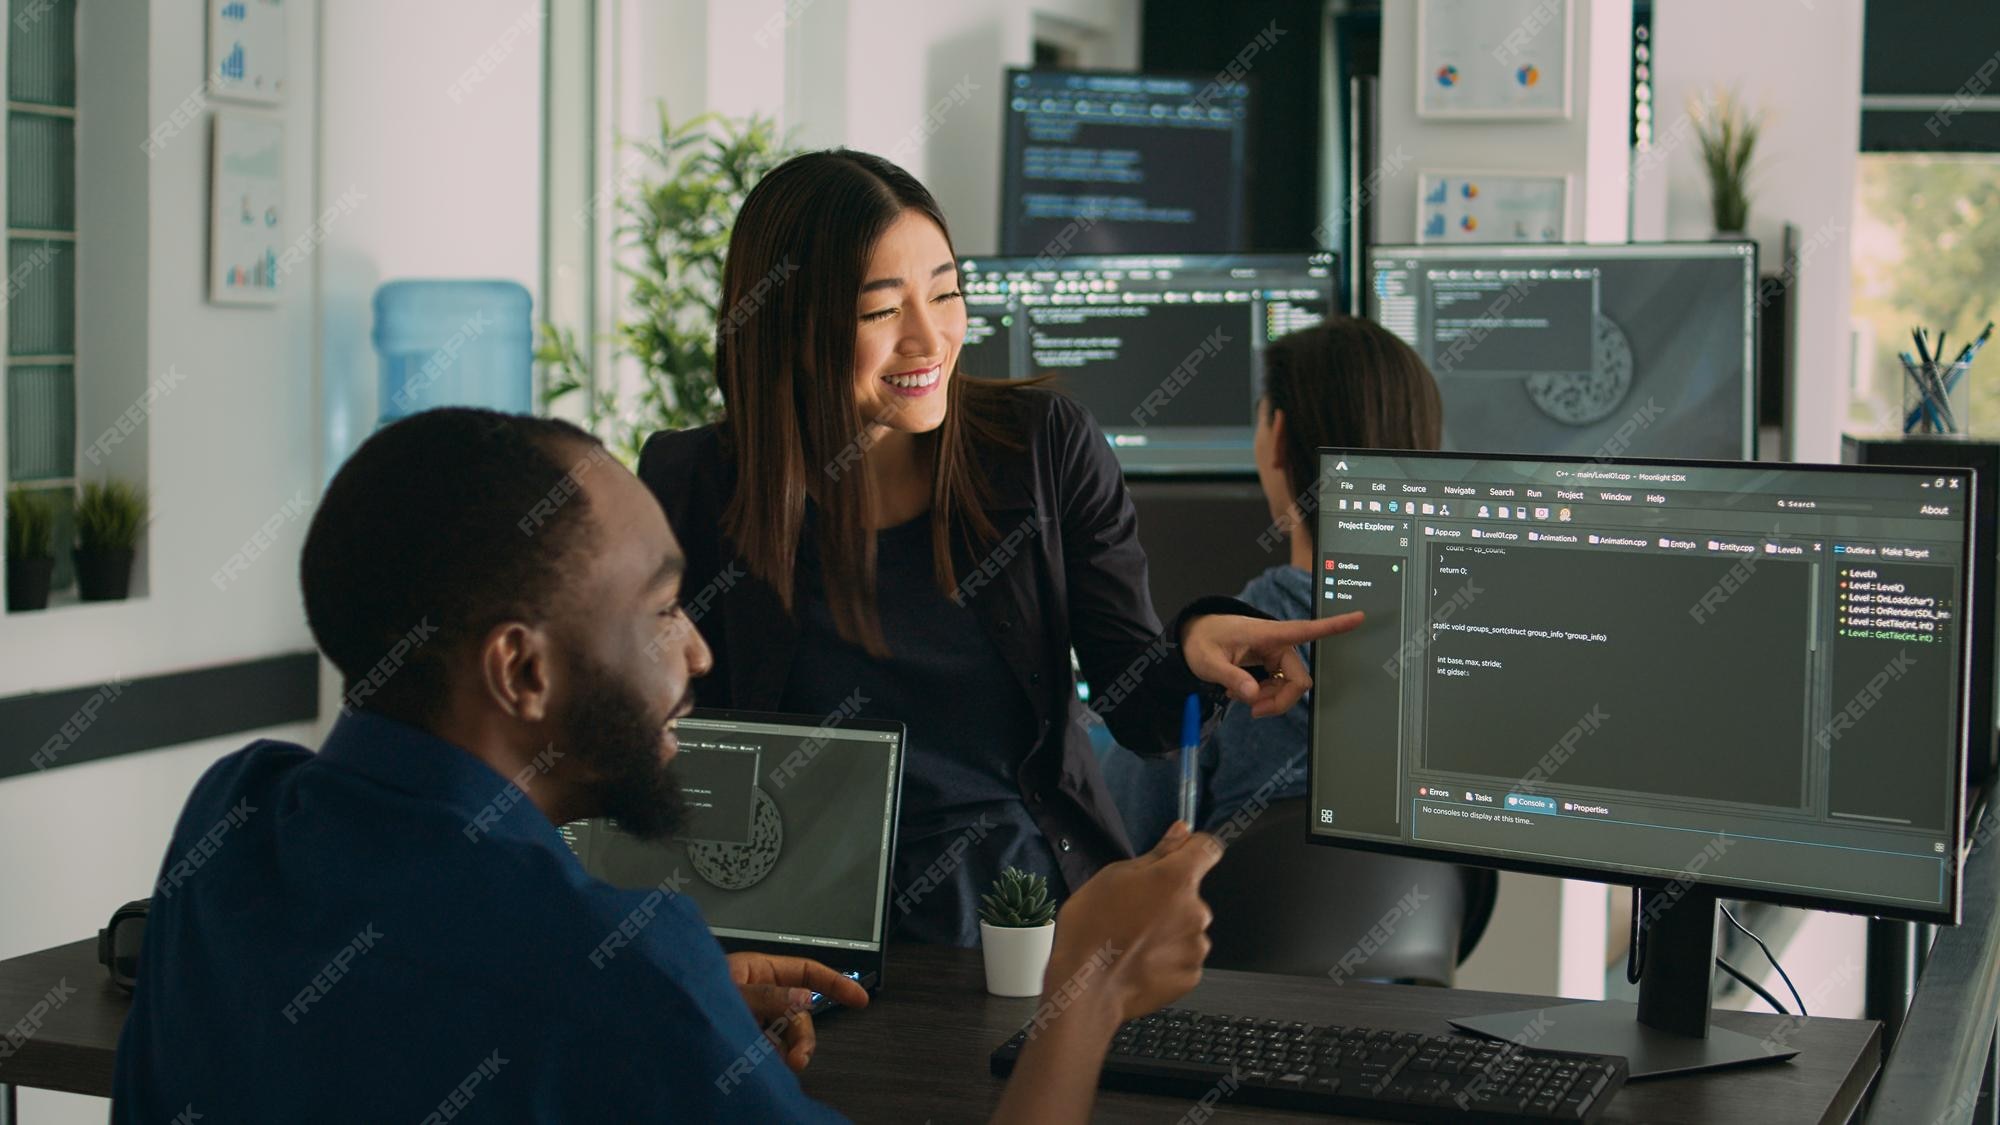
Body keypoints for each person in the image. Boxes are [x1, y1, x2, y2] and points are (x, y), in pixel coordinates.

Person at [111, 408, 1225, 1125]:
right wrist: (1092, 987)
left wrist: (682, 1039)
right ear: (521, 672)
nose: (694, 650)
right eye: (656, 612)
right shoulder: (620, 975)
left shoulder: (235, 817)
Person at [639, 149, 1360, 946]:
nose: (930, 337)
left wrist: (1193, 643)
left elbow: (1139, 709)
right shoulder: (696, 480)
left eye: (946, 293)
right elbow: (669, 736)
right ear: (790, 325)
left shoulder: (1043, 447)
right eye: (881, 311)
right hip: (798, 920)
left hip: (1019, 909)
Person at [1100, 317, 1443, 845]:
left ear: (1277, 435)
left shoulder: (1234, 652)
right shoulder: (1464, 647)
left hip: (1236, 927)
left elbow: (1112, 838)